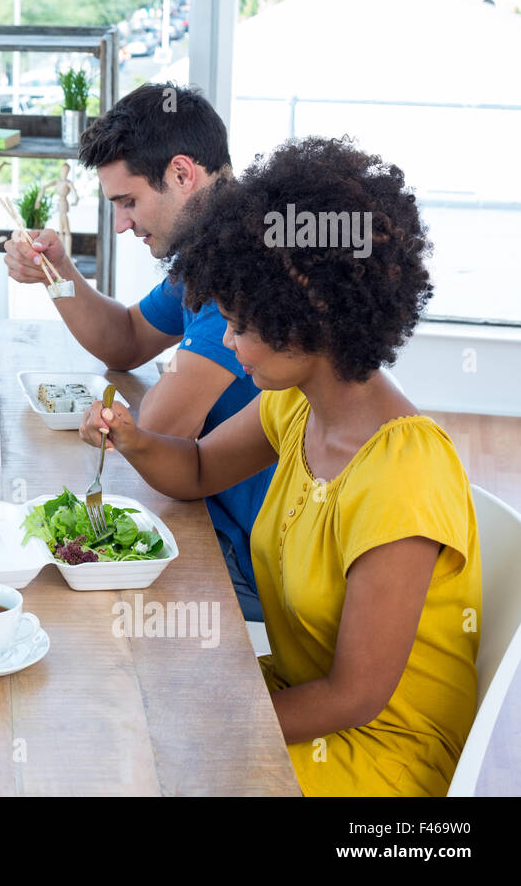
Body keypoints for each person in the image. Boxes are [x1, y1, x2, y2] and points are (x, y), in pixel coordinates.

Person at [82, 136, 480, 796]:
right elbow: (203, 470)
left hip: (378, 757)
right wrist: (133, 438)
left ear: (310, 315)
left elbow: (354, 698)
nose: (229, 344)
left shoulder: (405, 475)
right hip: (302, 705)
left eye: (241, 325)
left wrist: (204, 721)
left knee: (145, 761)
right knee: (118, 699)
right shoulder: (295, 407)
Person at [4, 82, 273, 622]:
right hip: (204, 508)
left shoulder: (245, 275)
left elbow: (159, 430)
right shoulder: (211, 248)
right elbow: (126, 340)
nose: (122, 223)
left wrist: (139, 413)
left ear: (181, 173)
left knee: (52, 603)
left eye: (129, 202)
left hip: (248, 563)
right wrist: (57, 274)